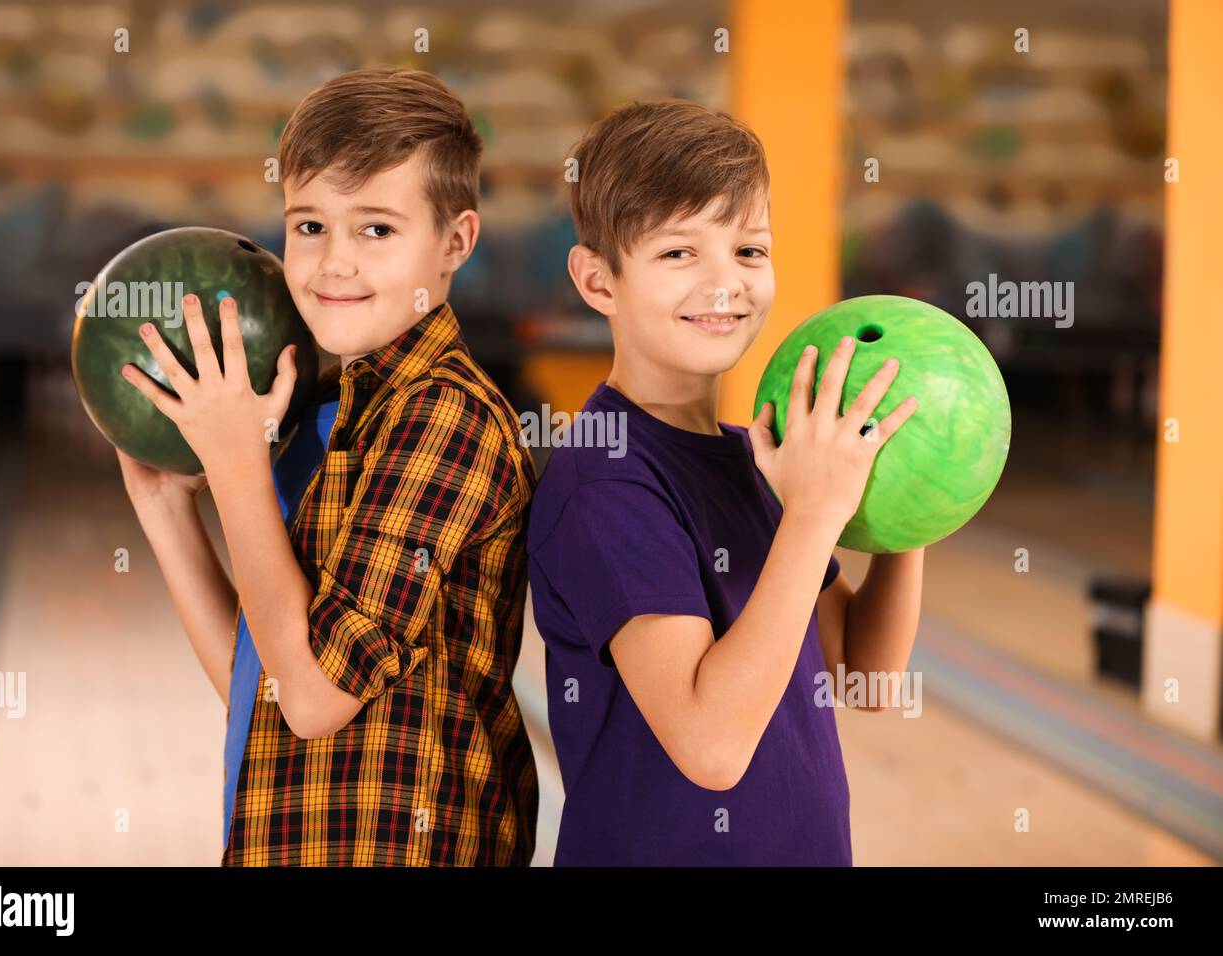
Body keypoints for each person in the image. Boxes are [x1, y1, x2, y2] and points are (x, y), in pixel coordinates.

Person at [117, 68, 538, 866]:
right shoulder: (339, 414)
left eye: (376, 229)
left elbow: (314, 701)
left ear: (456, 242)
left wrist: (237, 465)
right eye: (310, 226)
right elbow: (271, 689)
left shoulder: (444, 417)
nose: (333, 262)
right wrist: (166, 506)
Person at [527, 100, 925, 865]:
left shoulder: (757, 456)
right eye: (679, 252)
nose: (724, 284)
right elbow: (710, 746)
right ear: (598, 280)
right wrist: (812, 514)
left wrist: (914, 496)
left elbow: (864, 676)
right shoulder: (605, 479)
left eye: (748, 250)